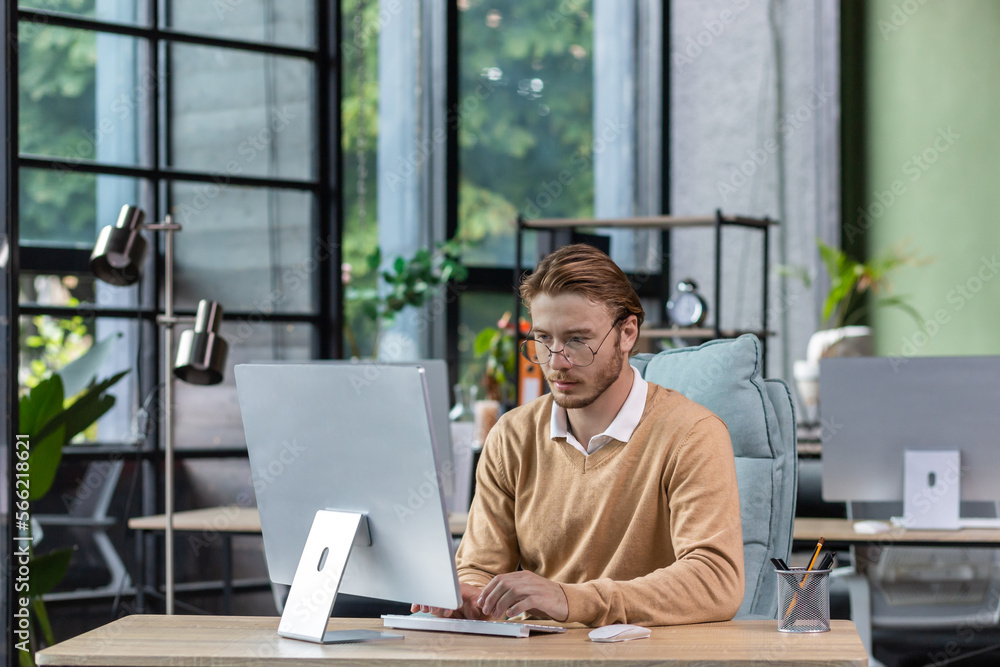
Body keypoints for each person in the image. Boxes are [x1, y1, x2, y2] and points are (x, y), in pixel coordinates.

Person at [413, 243, 744, 626]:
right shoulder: (511, 436)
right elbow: (478, 568)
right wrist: (467, 597)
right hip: (536, 655)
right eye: (543, 339)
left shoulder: (692, 435)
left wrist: (571, 600)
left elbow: (715, 582)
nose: (555, 362)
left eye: (577, 340)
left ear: (627, 333)